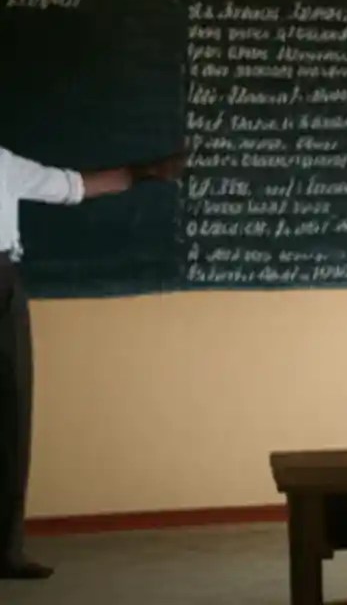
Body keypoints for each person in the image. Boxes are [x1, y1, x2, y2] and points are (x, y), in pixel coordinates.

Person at [0, 146, 183, 580]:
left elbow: (73, 187)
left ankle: (5, 551)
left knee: (10, 416)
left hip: (2, 282)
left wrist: (145, 172)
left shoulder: (1, 162)